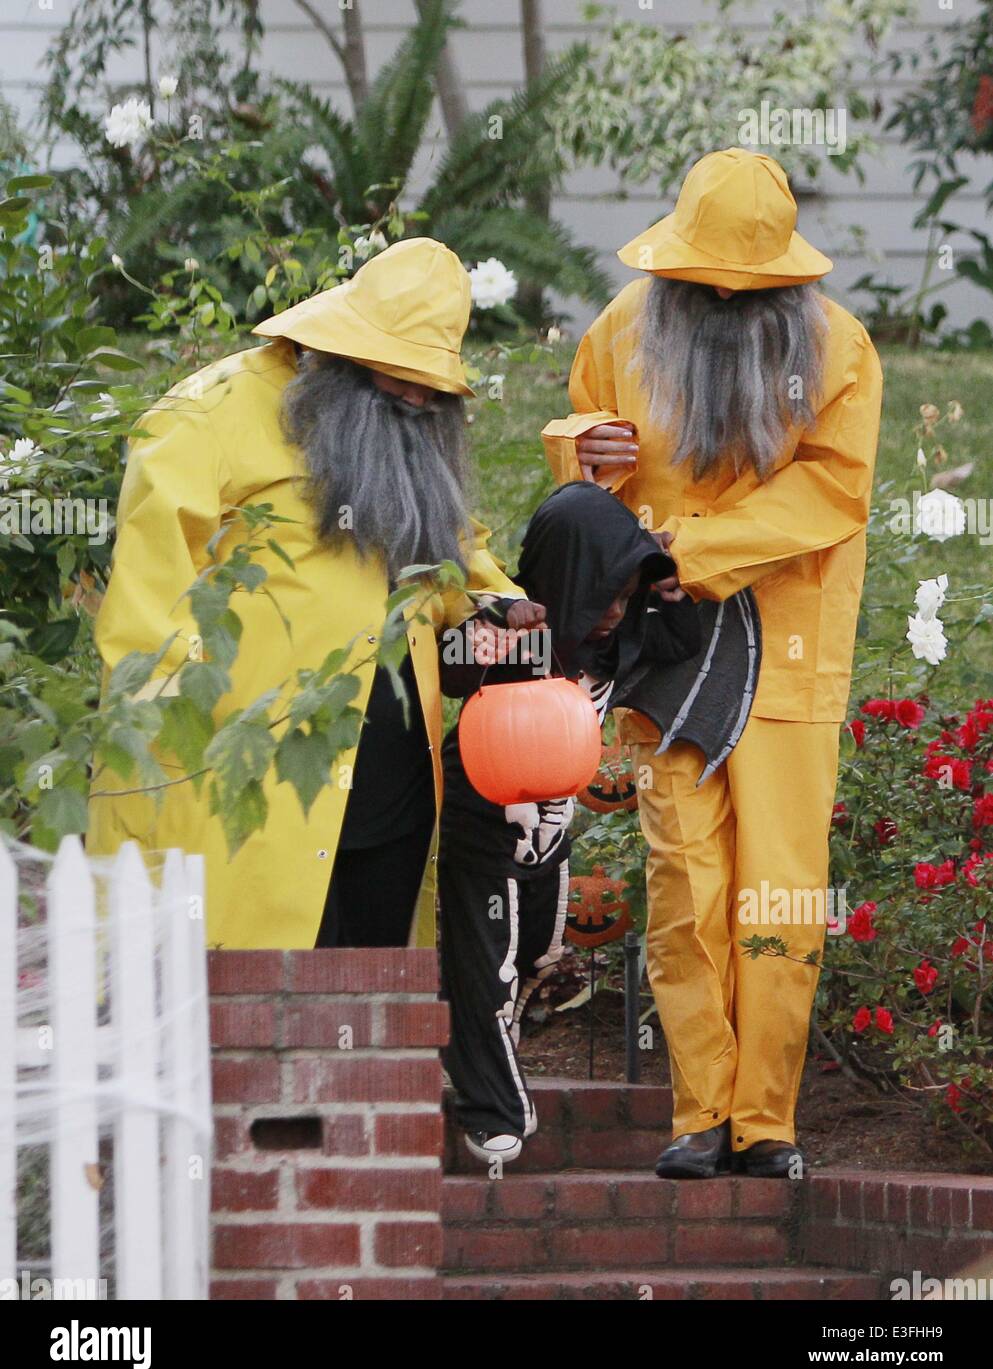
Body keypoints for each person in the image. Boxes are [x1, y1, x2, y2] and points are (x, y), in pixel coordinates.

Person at [542, 148, 884, 1178]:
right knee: (687, 881)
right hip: (663, 649)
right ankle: (700, 1112)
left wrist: (691, 551)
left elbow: (835, 488)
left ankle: (766, 1120)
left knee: (780, 890)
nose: (724, 308)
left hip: (787, 651)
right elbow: (581, 455)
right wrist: (581, 452)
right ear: (672, 275)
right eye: (704, 290)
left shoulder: (842, 351)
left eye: (748, 294)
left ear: (789, 285)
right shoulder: (619, 332)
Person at [87, 238, 542, 950]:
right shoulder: (207, 417)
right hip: (249, 785)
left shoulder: (405, 415)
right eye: (401, 379)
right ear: (339, 354)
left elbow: (449, 541)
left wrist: (492, 598)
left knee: (369, 1017)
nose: (419, 398)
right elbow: (150, 616)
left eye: (431, 384)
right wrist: (157, 773)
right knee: (252, 1012)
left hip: (393, 789)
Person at [438, 482, 700, 1164]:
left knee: (534, 956)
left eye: (627, 595)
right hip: (483, 813)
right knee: (484, 964)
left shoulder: (612, 640)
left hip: (551, 827)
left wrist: (664, 583)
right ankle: (490, 1105)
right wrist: (495, 624)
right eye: (606, 593)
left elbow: (677, 639)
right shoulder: (520, 621)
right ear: (572, 578)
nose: (616, 612)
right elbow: (447, 668)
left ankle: (479, 1044)